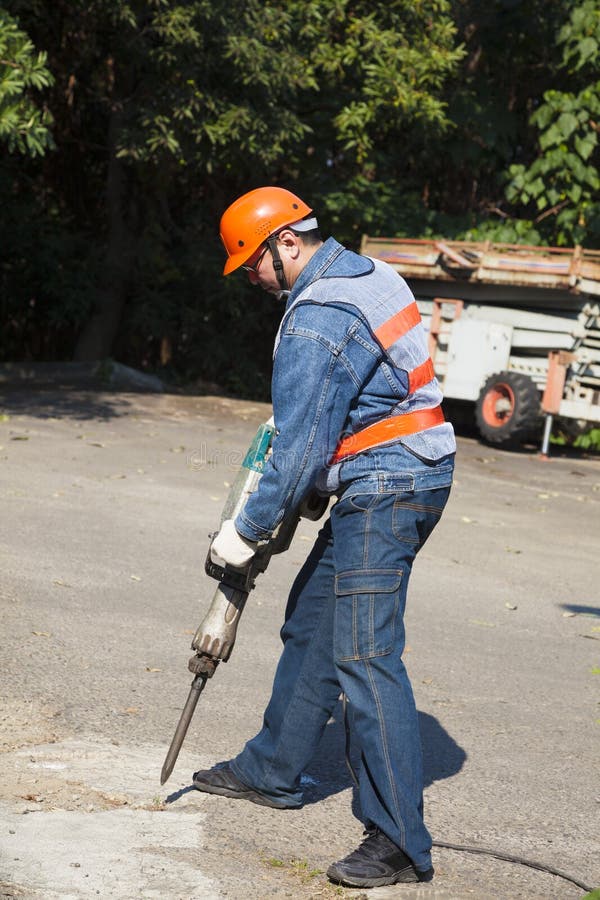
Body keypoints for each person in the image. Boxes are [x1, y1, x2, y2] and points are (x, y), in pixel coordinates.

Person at [193, 186, 456, 888]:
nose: (248, 276)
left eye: (251, 261)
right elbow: (351, 407)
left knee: (366, 656)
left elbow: (300, 449)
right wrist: (314, 485)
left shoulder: (318, 316)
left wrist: (243, 536)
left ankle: (399, 842)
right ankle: (274, 768)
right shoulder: (364, 272)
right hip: (398, 471)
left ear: (287, 244)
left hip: (389, 486)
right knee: (314, 623)